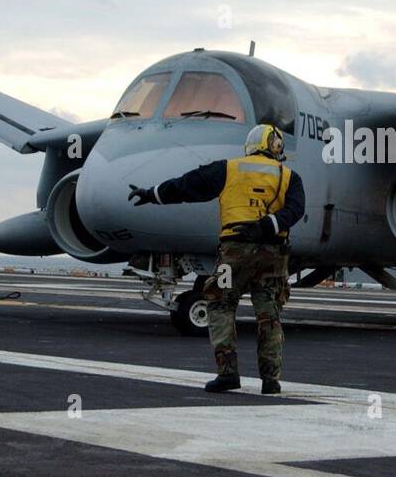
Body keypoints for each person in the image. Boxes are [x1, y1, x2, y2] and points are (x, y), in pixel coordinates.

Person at [128, 123, 304, 394]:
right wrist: (267, 224)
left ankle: (227, 373)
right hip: (273, 255)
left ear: (250, 145)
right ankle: (270, 380)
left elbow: (188, 185)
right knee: (269, 315)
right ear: (276, 146)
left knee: (221, 306)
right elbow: (295, 210)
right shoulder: (289, 176)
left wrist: (152, 194)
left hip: (234, 252)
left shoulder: (228, 168)